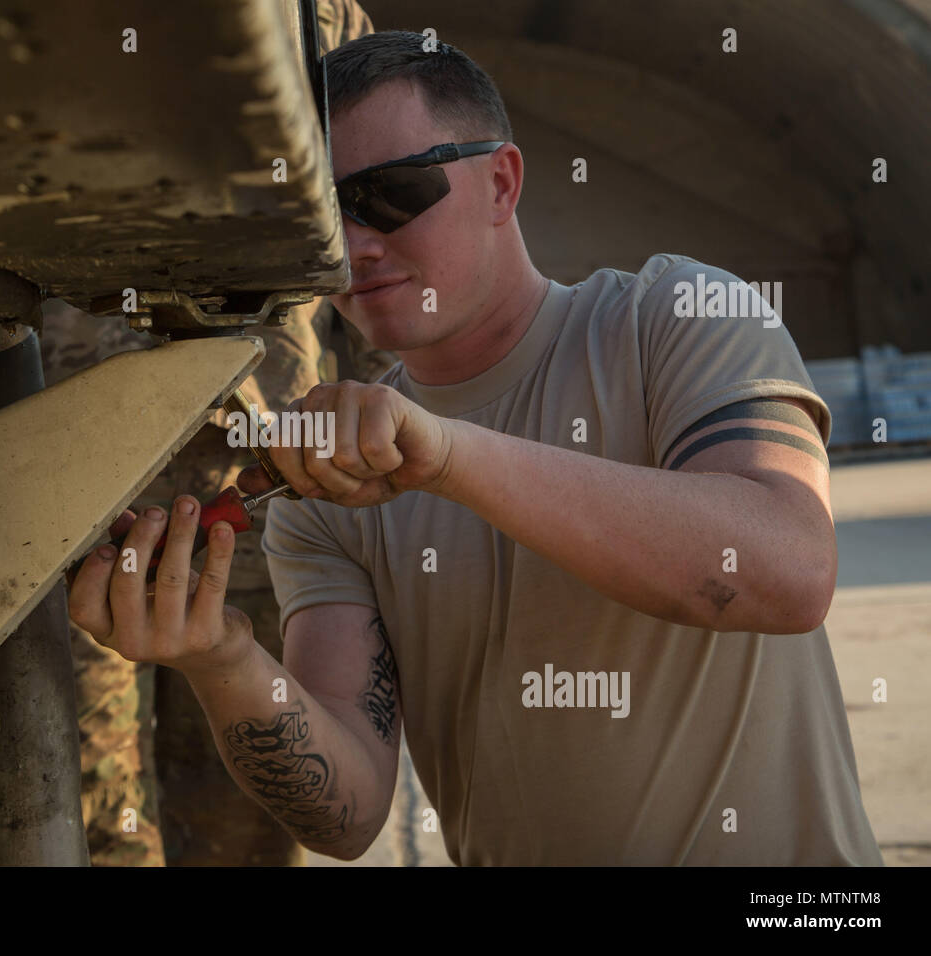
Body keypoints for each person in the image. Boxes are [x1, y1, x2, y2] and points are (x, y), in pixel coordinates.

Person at [67, 30, 885, 865]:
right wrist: (224, 660)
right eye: (320, 216)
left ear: (501, 181)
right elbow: (345, 814)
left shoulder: (679, 319)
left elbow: (787, 571)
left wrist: (451, 458)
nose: (354, 246)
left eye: (391, 194)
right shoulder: (329, 485)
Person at [45, 0, 393, 866]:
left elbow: (368, 219)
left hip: (265, 486)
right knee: (85, 815)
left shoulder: (316, 15)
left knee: (251, 798)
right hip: (73, 484)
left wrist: (389, 428)